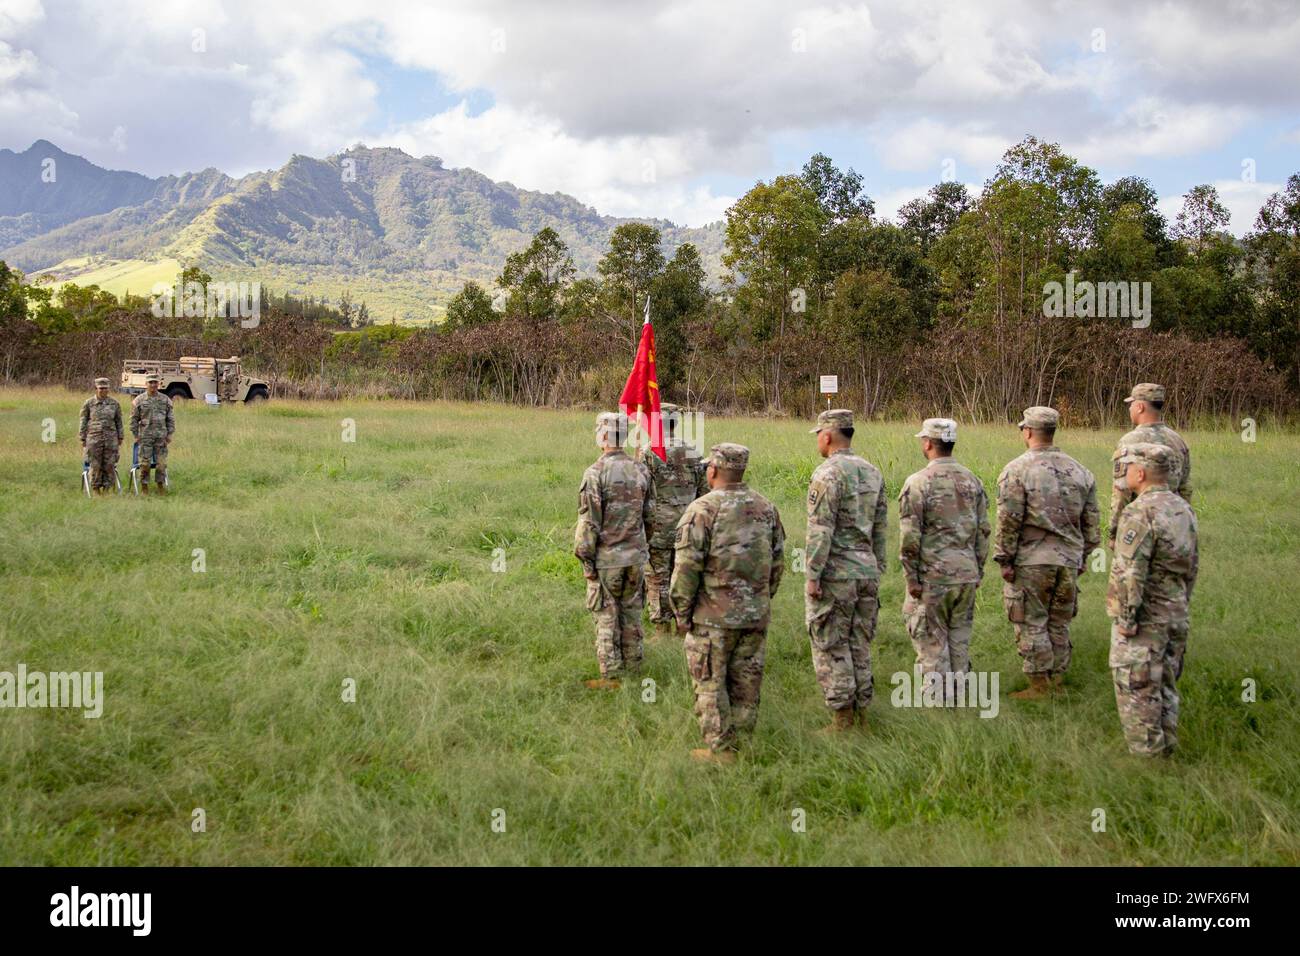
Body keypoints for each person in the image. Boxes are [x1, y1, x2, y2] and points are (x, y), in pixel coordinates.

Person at [671, 443, 784, 763]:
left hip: (712, 617)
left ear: (713, 470)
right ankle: (742, 744)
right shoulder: (766, 508)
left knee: (710, 682)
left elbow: (686, 568)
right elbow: (777, 562)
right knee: (746, 681)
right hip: (754, 614)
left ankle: (720, 750)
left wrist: (681, 611)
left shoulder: (701, 510)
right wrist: (760, 599)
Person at [994, 406, 1100, 698]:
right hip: (1067, 560)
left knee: (1032, 621)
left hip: (1032, 561)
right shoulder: (1081, 471)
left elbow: (1009, 519)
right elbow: (1091, 523)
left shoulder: (1017, 470)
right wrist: (1083, 555)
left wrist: (1005, 558)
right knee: (1059, 621)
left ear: (1027, 432)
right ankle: (1056, 681)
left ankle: (1038, 685)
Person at [1107, 443, 1199, 757]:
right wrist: (1181, 603)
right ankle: (1167, 748)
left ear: (1141, 472)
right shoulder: (1182, 509)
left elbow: (1130, 572)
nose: (1126, 472)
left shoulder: (1139, 511)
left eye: (1130, 466)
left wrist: (1127, 620)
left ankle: (1148, 762)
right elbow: (1192, 565)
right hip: (1176, 611)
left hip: (1146, 617)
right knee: (1166, 684)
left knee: (1137, 689)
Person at [805, 409, 888, 731]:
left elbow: (820, 529)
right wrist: (876, 566)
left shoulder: (827, 474)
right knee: (859, 643)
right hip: (866, 570)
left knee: (831, 643)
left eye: (818, 436)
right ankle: (862, 713)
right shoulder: (872, 471)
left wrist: (813, 574)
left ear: (826, 436)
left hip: (836, 573)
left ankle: (842, 718)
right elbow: (881, 526)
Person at [898, 418, 990, 702]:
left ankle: (939, 707)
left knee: (932, 644)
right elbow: (983, 531)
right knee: (958, 640)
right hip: (965, 574)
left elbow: (910, 537)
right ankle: (961, 699)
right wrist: (976, 568)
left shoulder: (918, 483)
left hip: (933, 578)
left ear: (927, 443)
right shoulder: (972, 481)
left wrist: (911, 577)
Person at [574, 412, 653, 689]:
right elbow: (650, 517)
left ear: (603, 436)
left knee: (606, 617)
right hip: (635, 557)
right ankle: (635, 667)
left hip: (607, 560)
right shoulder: (641, 469)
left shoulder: (595, 473)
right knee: (632, 614)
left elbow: (589, 524)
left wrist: (586, 562)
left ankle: (612, 677)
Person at [636, 403, 707, 638]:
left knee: (658, 578)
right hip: (688, 527)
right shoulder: (694, 452)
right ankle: (683, 625)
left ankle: (661, 628)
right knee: (685, 577)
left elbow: (642, 493)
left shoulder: (650, 452)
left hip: (658, 528)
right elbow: (704, 494)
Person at [1108, 383, 1192, 549]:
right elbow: (1185, 487)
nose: (1130, 408)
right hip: (1173, 523)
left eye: (1131, 404)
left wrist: (1113, 532)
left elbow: (1121, 491)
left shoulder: (1129, 441)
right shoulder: (1178, 440)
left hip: (1139, 524)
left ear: (1140, 406)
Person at [130, 374, 175, 494]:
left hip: (161, 437)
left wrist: (169, 434)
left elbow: (170, 419)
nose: (153, 385)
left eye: (155, 382)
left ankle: (160, 485)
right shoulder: (139, 400)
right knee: (145, 464)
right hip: (145, 437)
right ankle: (144, 486)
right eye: (150, 383)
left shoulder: (165, 400)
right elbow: (133, 419)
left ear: (158, 384)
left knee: (161, 463)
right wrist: (135, 435)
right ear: (146, 384)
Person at [79, 377, 124, 494]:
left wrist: (120, 437)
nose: (103, 390)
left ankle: (107, 490)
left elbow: (119, 421)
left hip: (111, 439)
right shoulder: (89, 404)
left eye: (105, 388)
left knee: (109, 464)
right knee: (95, 465)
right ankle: (95, 490)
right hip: (94, 439)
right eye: (101, 388)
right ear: (96, 389)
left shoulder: (114, 404)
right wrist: (82, 437)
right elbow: (83, 420)